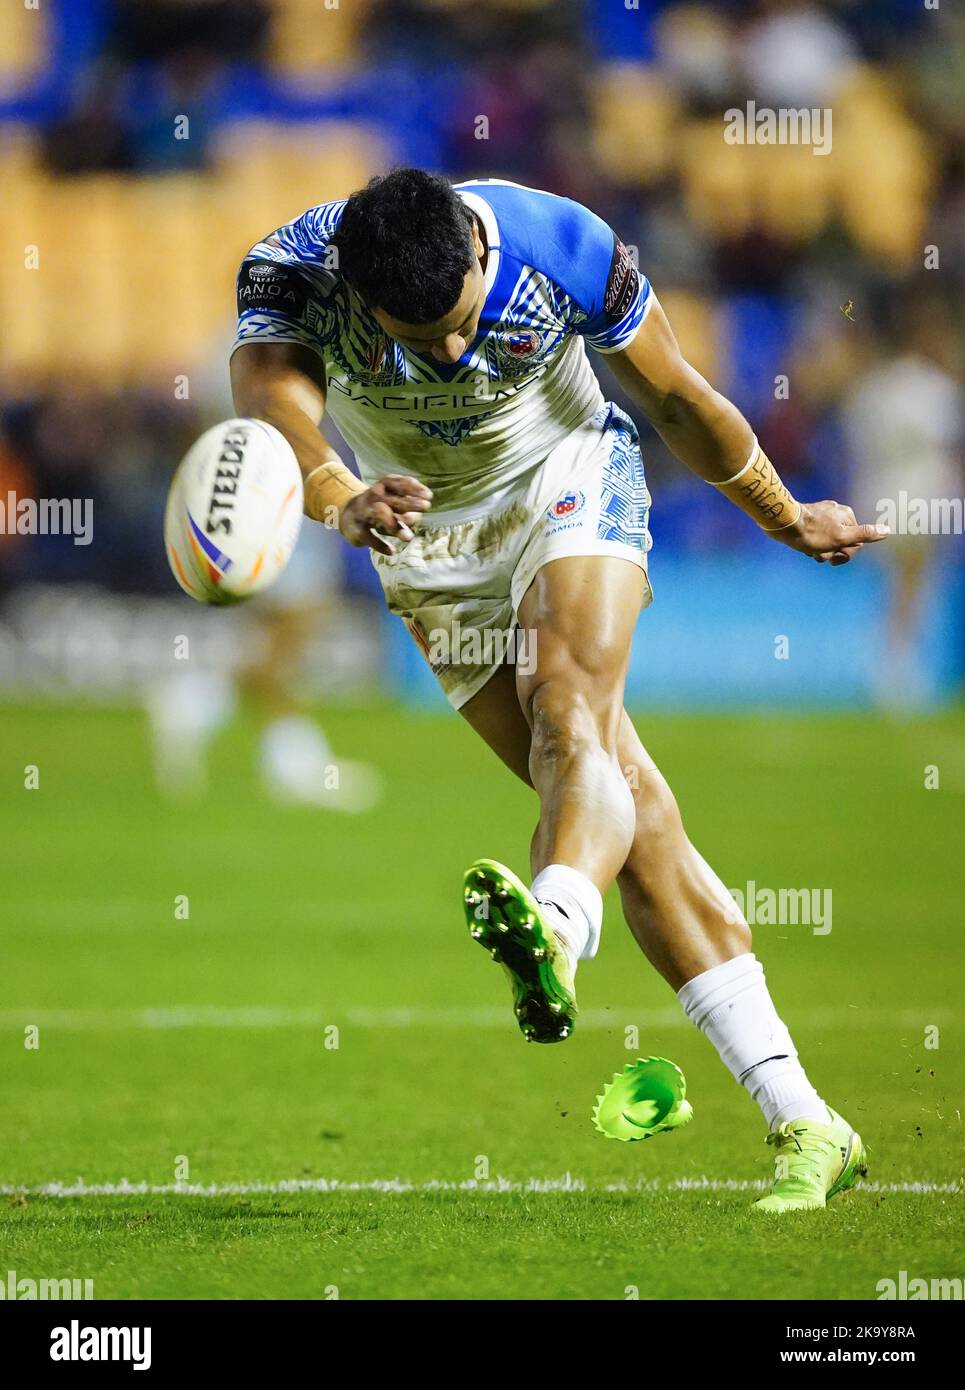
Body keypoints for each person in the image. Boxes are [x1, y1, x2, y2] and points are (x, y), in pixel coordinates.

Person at [229, 168, 888, 1212]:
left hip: (563, 475)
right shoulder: (293, 268)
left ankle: (554, 927)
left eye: (456, 324)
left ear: (481, 260)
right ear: (357, 292)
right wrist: (341, 494)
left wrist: (780, 512)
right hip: (420, 532)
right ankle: (805, 1118)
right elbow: (272, 399)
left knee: (566, 704)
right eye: (415, 334)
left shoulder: (563, 245)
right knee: (639, 825)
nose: (446, 354)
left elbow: (674, 394)